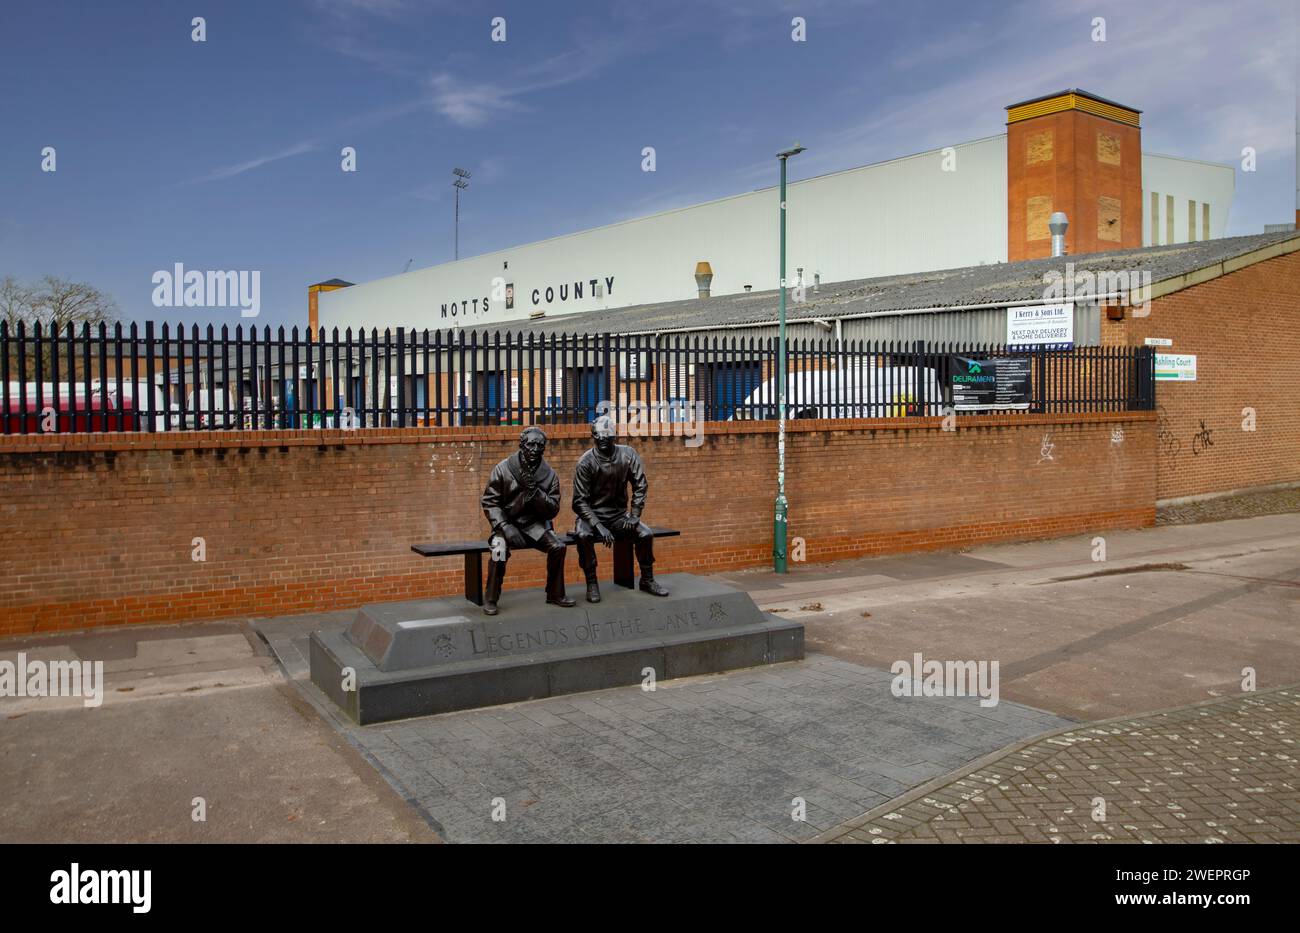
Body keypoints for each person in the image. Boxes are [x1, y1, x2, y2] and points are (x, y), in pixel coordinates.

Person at [572, 415, 669, 602]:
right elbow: (579, 502)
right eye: (598, 435)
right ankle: (591, 583)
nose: (602, 439)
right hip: (591, 517)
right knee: (583, 536)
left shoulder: (628, 454)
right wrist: (599, 526)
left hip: (619, 516)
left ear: (614, 437)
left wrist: (634, 515)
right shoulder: (585, 462)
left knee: (645, 534)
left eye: (607, 435)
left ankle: (647, 580)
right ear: (593, 436)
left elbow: (641, 485)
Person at [479, 426, 576, 616]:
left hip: (535, 525)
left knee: (558, 547)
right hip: (507, 524)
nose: (534, 449)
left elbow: (553, 509)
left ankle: (554, 593)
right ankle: (491, 597)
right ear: (522, 445)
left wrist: (537, 494)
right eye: (530, 444)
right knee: (498, 549)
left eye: (539, 445)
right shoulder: (503, 469)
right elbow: (490, 502)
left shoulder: (550, 475)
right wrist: (505, 527)